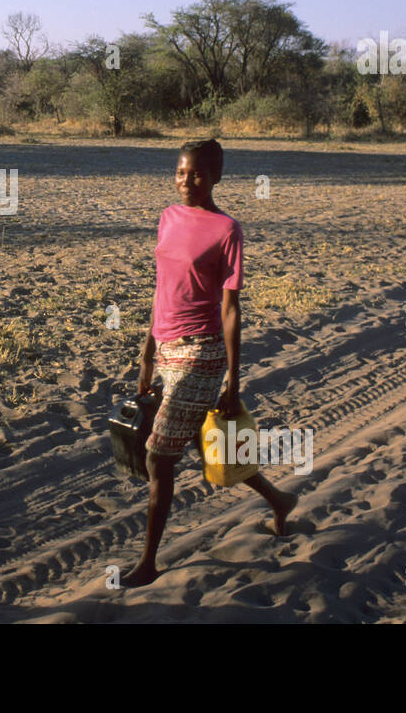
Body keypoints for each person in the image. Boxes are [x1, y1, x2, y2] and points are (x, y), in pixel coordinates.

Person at [123, 140, 298, 589]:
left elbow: (231, 309)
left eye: (198, 175)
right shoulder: (167, 217)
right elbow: (162, 288)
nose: (187, 181)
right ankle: (279, 500)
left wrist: (235, 380)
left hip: (202, 353)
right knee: (204, 444)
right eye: (181, 173)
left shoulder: (227, 230)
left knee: (158, 456)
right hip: (164, 346)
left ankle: (148, 564)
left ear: (216, 177)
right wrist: (145, 356)